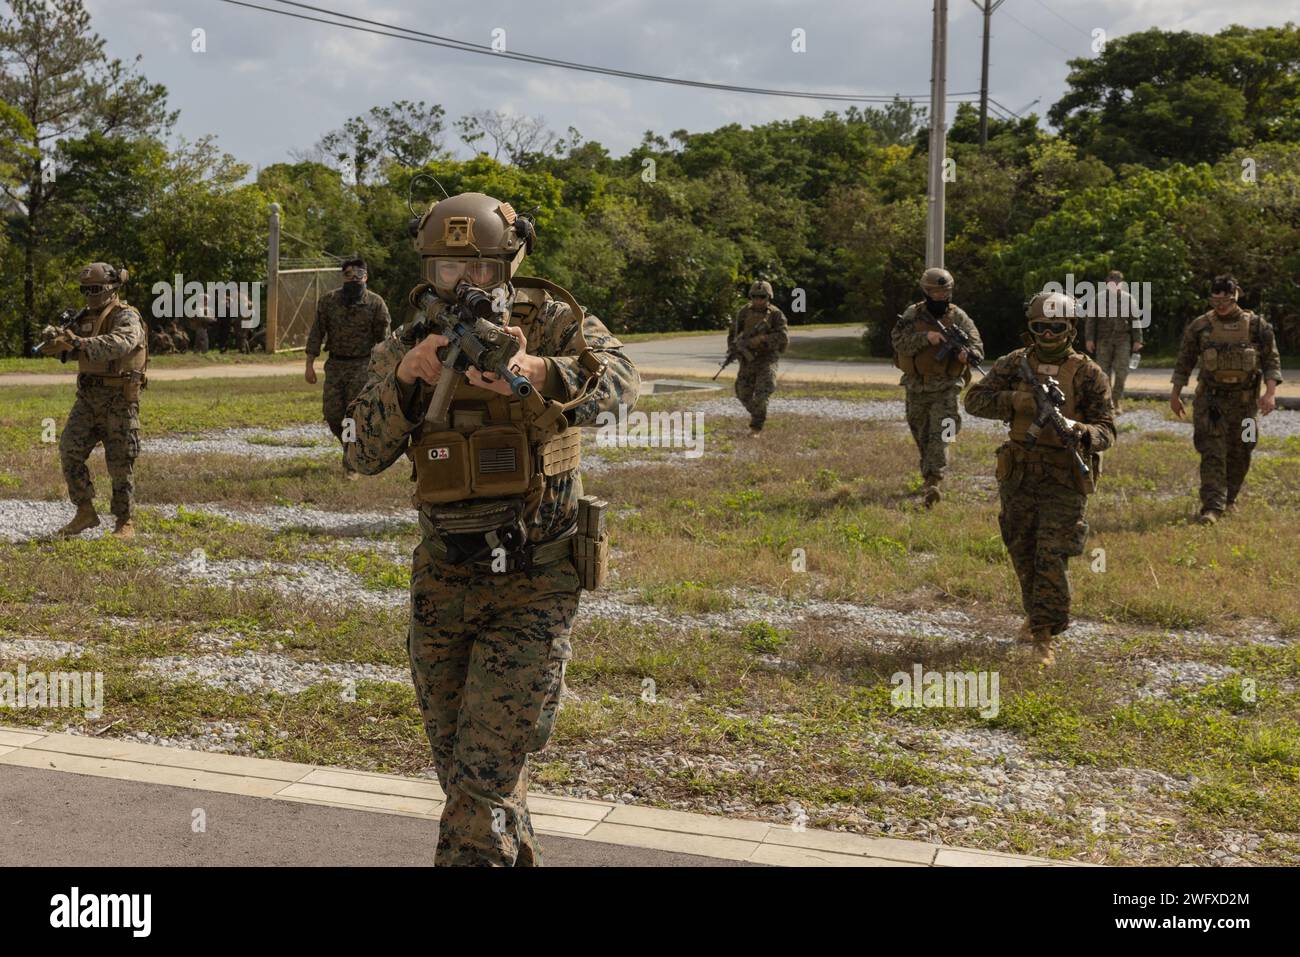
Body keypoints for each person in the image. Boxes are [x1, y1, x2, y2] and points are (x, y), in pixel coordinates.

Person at [345, 191, 639, 866]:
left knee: (481, 790)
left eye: (480, 269)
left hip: (535, 581)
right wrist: (406, 382)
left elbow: (624, 385)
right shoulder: (409, 339)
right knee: (471, 780)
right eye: (449, 270)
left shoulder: (554, 319)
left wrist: (543, 372)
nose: (465, 285)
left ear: (509, 266)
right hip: (444, 581)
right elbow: (358, 451)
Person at [964, 291, 1115, 666]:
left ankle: (1045, 634)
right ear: (1030, 328)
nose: (1048, 335)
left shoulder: (1089, 373)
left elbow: (1107, 431)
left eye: (1056, 327)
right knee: (1022, 550)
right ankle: (1035, 617)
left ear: (1071, 329)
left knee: (1052, 554)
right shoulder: (1015, 364)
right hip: (1019, 473)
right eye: (1040, 327)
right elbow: (973, 400)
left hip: (1064, 476)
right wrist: (1016, 401)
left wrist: (1079, 430)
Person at [1170, 274, 1281, 524]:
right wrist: (1175, 394)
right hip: (1210, 403)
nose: (1220, 306)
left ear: (1236, 296)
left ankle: (1230, 499)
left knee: (1243, 450)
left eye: (1225, 301)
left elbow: (1272, 361)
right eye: (1215, 300)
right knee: (1212, 452)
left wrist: (1270, 393)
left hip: (1246, 405)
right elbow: (1184, 362)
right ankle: (1212, 507)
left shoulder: (1257, 326)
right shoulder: (1200, 326)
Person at [47, 263, 148, 538]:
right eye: (85, 290)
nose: (90, 295)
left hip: (119, 398)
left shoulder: (126, 315)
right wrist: (55, 341)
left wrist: (78, 342)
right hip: (88, 398)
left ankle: (124, 521)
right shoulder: (82, 318)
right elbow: (65, 351)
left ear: (112, 287)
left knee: (120, 461)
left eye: (95, 289)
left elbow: (119, 343)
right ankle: (85, 512)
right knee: (70, 449)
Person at [891, 267, 983, 506]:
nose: (941, 295)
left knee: (942, 432)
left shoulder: (959, 317)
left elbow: (977, 347)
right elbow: (898, 342)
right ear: (926, 291)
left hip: (947, 386)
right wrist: (926, 338)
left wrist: (967, 355)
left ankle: (934, 481)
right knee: (921, 432)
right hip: (917, 386)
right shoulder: (913, 314)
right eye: (936, 291)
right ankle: (928, 473)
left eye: (945, 291)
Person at [305, 259, 391, 477]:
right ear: (342, 277)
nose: (354, 278)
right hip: (335, 365)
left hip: (363, 365)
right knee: (333, 413)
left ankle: (351, 461)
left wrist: (384, 370)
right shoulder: (328, 301)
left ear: (366, 277)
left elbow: (384, 341)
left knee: (354, 414)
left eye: (359, 274)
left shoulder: (375, 303)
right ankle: (349, 447)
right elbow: (317, 332)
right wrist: (309, 363)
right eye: (349, 274)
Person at [728, 280, 788, 434]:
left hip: (767, 359)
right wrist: (734, 349)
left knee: (762, 394)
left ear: (769, 297)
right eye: (755, 296)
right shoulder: (743, 312)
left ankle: (756, 427)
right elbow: (733, 334)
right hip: (748, 359)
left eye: (762, 297)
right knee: (742, 393)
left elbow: (782, 338)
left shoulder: (776, 315)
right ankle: (758, 414)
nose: (758, 300)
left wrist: (761, 340)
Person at [1085, 269, 1143, 414]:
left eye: (1117, 283)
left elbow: (1135, 320)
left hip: (1122, 340)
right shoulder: (1098, 299)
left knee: (1122, 371)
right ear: (1107, 283)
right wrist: (1089, 339)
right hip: (1103, 341)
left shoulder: (1128, 299)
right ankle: (1106, 401)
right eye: (1111, 283)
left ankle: (1117, 400)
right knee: (1103, 373)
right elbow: (1091, 321)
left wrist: (1138, 340)